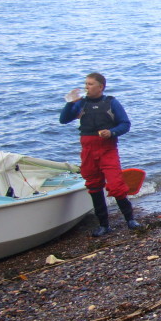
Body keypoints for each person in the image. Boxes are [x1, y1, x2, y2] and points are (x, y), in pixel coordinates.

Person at [60, 72, 140, 236]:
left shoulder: (111, 102)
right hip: (88, 150)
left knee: (116, 185)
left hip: (107, 149)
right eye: (86, 84)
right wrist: (69, 103)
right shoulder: (81, 104)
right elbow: (64, 119)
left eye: (90, 84)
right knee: (94, 185)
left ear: (100, 87)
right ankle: (104, 225)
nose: (86, 87)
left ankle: (130, 219)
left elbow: (125, 124)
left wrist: (111, 132)